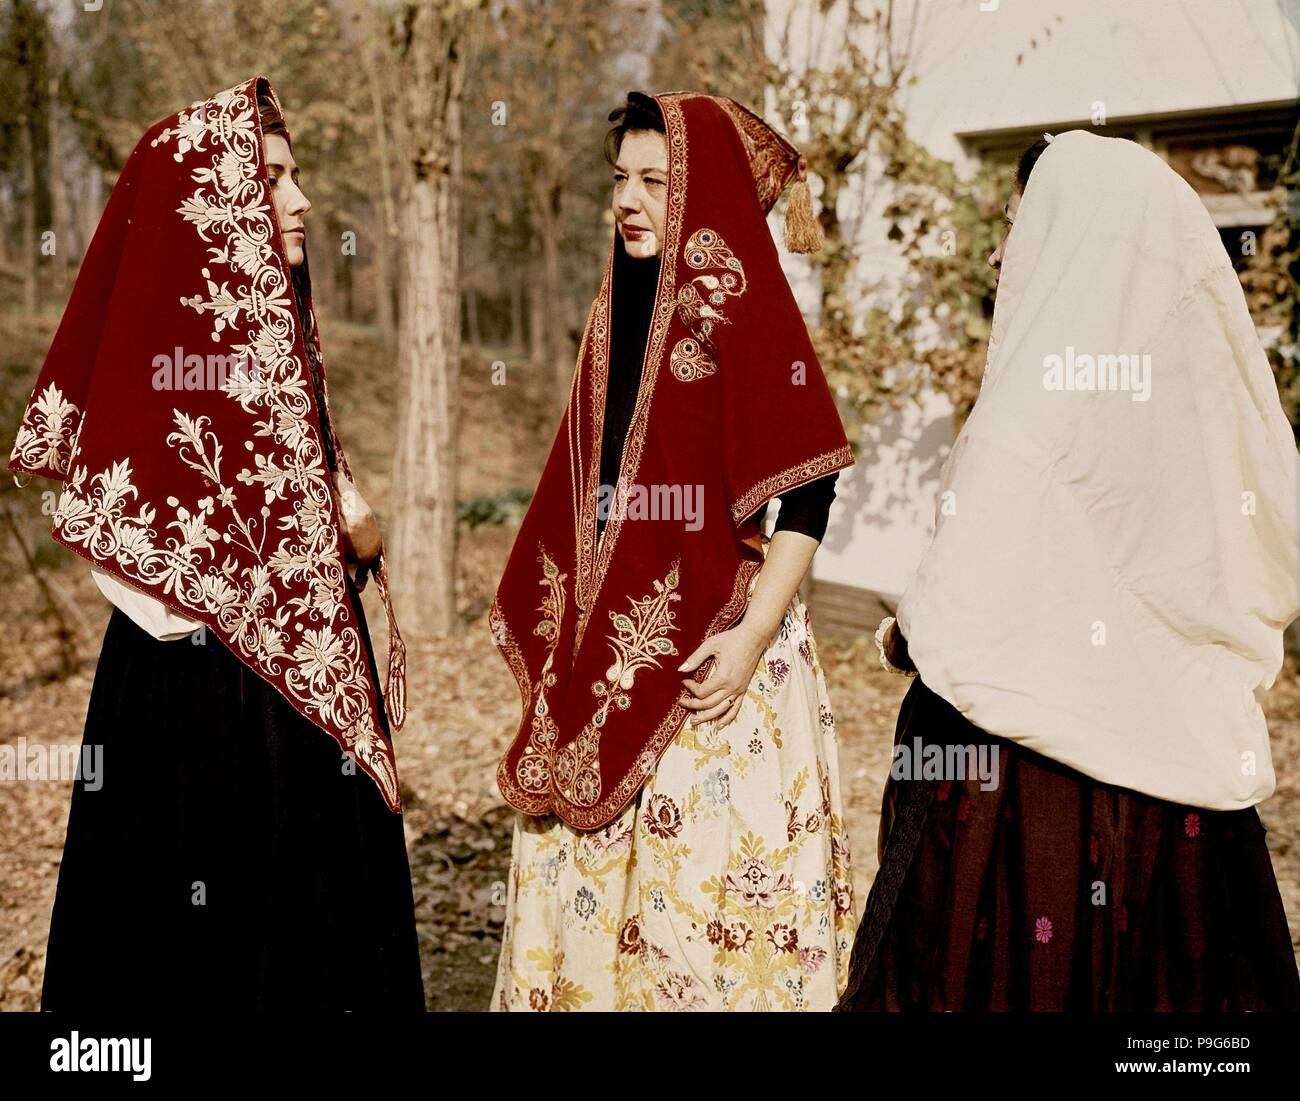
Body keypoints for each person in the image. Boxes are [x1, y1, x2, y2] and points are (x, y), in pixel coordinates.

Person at [837, 130, 1300, 1011]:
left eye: (1021, 220)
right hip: (1177, 805)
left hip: (1017, 802)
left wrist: (905, 634)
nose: (1005, 249)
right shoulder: (1202, 415)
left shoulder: (1030, 413)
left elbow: (963, 611)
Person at [9, 77, 424, 1010]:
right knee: (206, 926)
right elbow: (168, 542)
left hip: (299, 693)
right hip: (201, 693)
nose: (301, 199)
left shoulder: (274, 339)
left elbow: (303, 479)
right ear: (215, 208)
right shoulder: (173, 368)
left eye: (297, 174)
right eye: (273, 178)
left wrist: (343, 513)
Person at [489, 91, 857, 1011]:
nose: (628, 199)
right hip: (602, 660)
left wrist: (748, 638)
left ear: (705, 197)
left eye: (656, 181)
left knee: (697, 928)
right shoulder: (611, 314)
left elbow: (809, 488)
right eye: (621, 179)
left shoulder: (745, 313)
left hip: (716, 666)